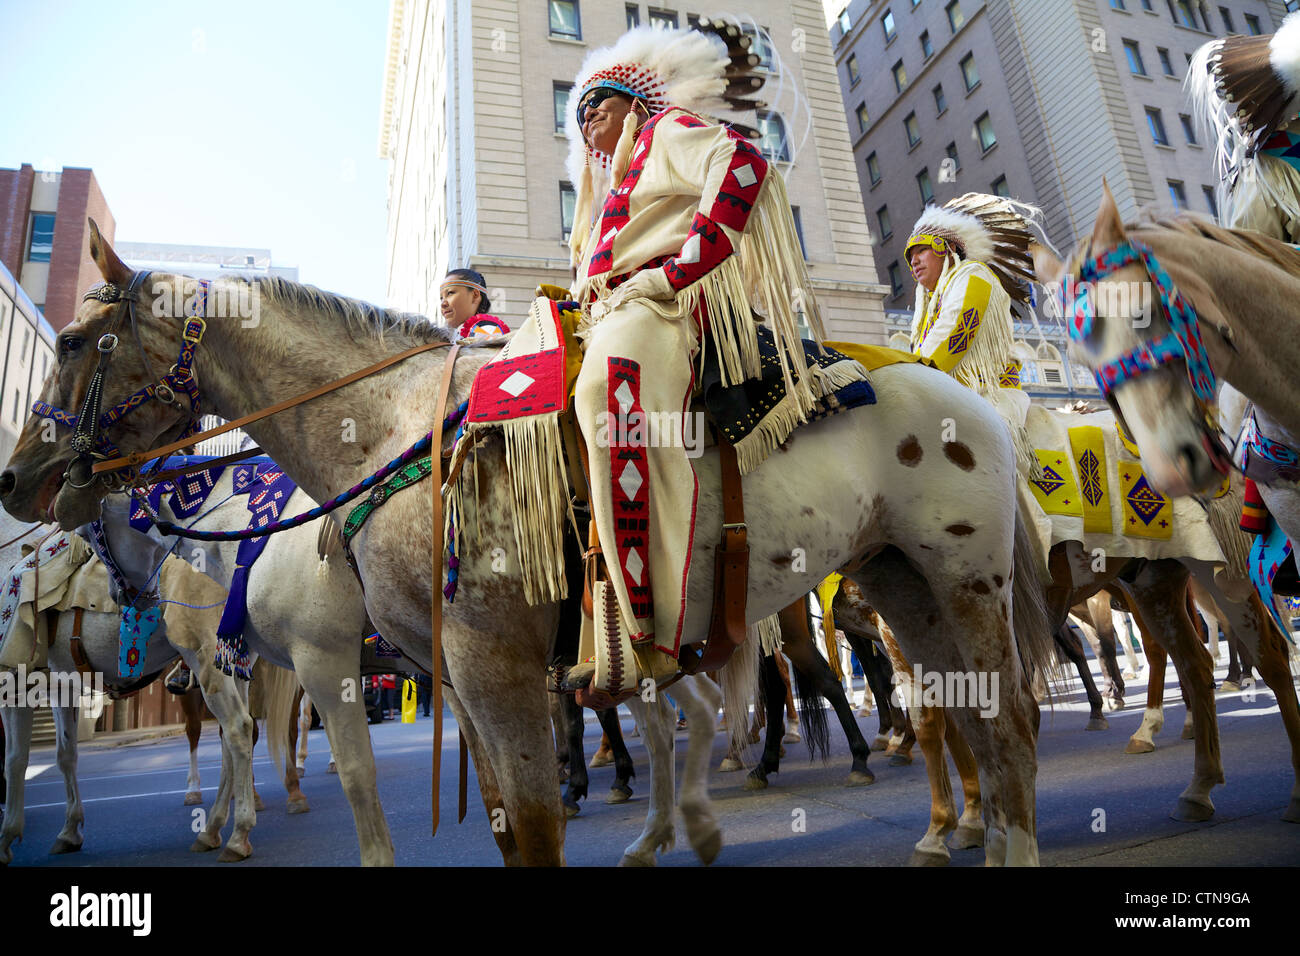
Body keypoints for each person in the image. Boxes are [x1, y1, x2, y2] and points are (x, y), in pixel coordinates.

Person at [564, 25, 837, 669]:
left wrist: (679, 270)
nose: (587, 120)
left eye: (598, 104)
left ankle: (650, 624)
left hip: (662, 306)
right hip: (612, 309)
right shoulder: (611, 186)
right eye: (579, 117)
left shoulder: (665, 131)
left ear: (634, 104)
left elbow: (743, 162)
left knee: (609, 387)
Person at [903, 194, 1040, 476]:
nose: (913, 261)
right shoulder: (929, 302)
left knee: (997, 467)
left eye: (921, 250)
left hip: (988, 397)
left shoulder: (973, 275)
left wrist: (904, 383)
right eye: (909, 257)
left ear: (950, 247)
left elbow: (949, 342)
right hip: (952, 396)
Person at [439, 268, 509, 339]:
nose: (443, 304)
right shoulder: (458, 335)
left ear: (475, 295)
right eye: (441, 298)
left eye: (450, 293)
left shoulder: (486, 330)